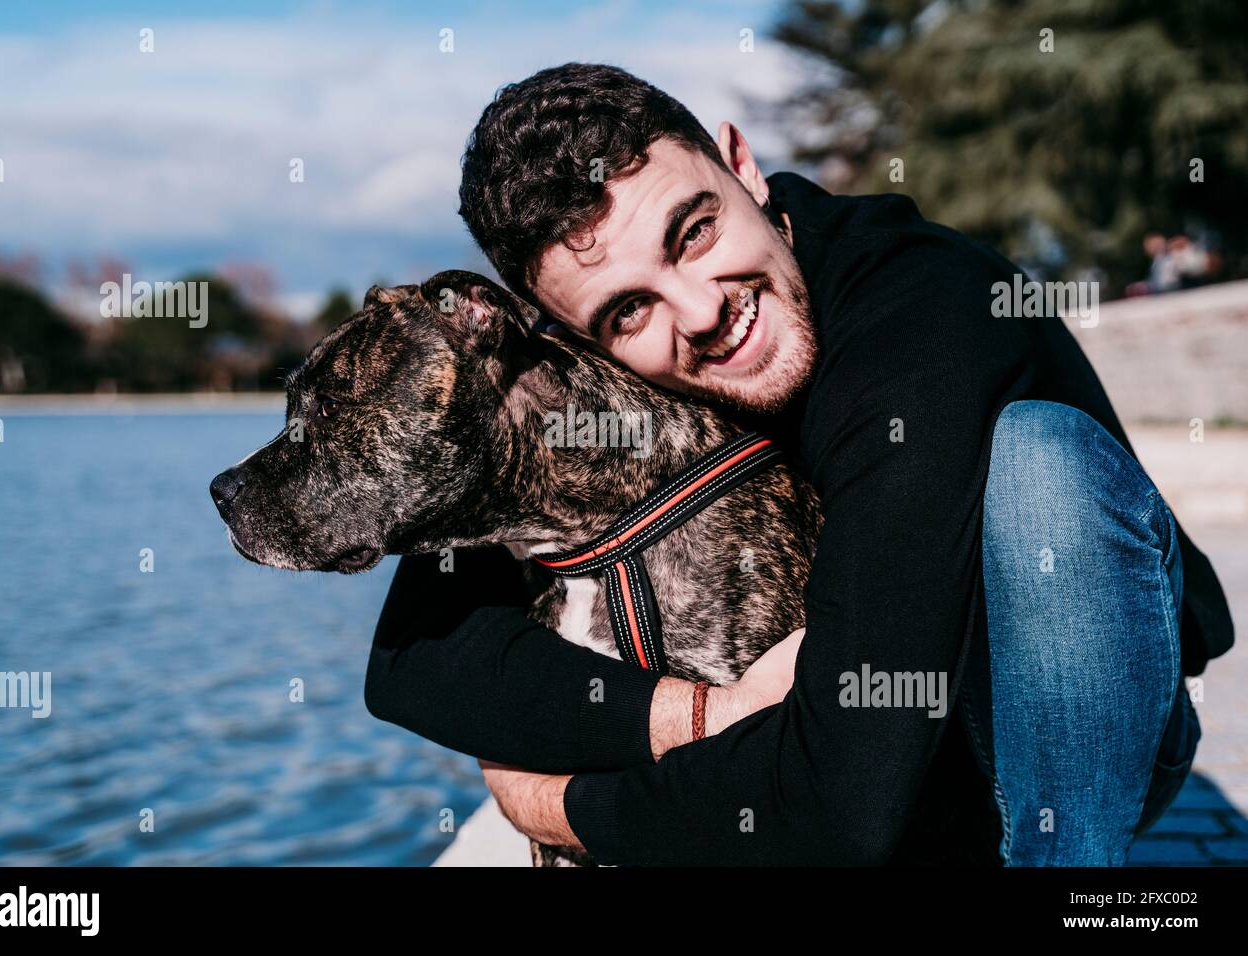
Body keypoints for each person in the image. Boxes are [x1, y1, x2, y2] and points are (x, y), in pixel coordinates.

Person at [364, 64, 1233, 865]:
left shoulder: (924, 306)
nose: (703, 312)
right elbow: (417, 664)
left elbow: (839, 802)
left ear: (743, 167)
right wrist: (701, 716)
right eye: (629, 311)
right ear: (569, 333)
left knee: (1043, 467)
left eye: (693, 232)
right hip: (845, 746)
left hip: (1044, 735)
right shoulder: (596, 373)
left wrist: (557, 804)